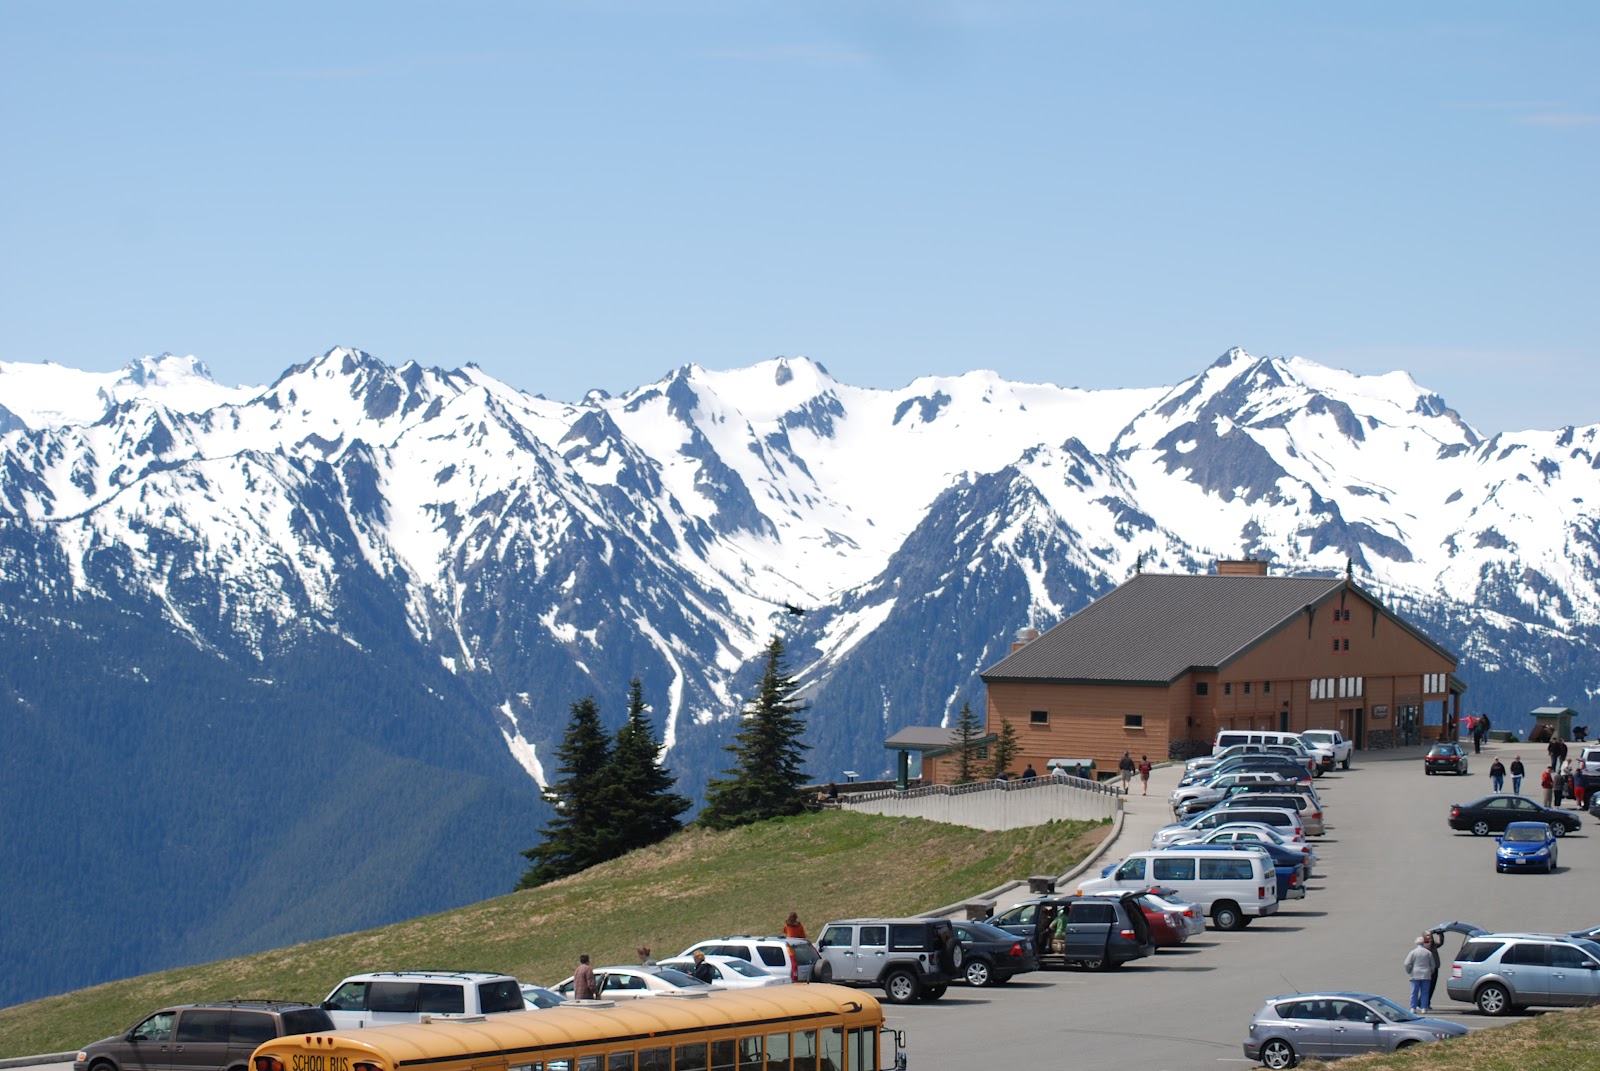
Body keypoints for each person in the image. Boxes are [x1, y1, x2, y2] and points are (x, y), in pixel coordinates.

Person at [1403, 934, 1435, 1014]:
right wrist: (1430, 971)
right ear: (1423, 943)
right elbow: (1433, 965)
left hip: (1415, 974)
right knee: (1425, 992)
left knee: (1414, 992)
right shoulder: (1428, 953)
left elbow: (1407, 963)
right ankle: (1424, 1007)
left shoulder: (1413, 952)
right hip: (1426, 974)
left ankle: (1413, 1007)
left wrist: (1409, 971)